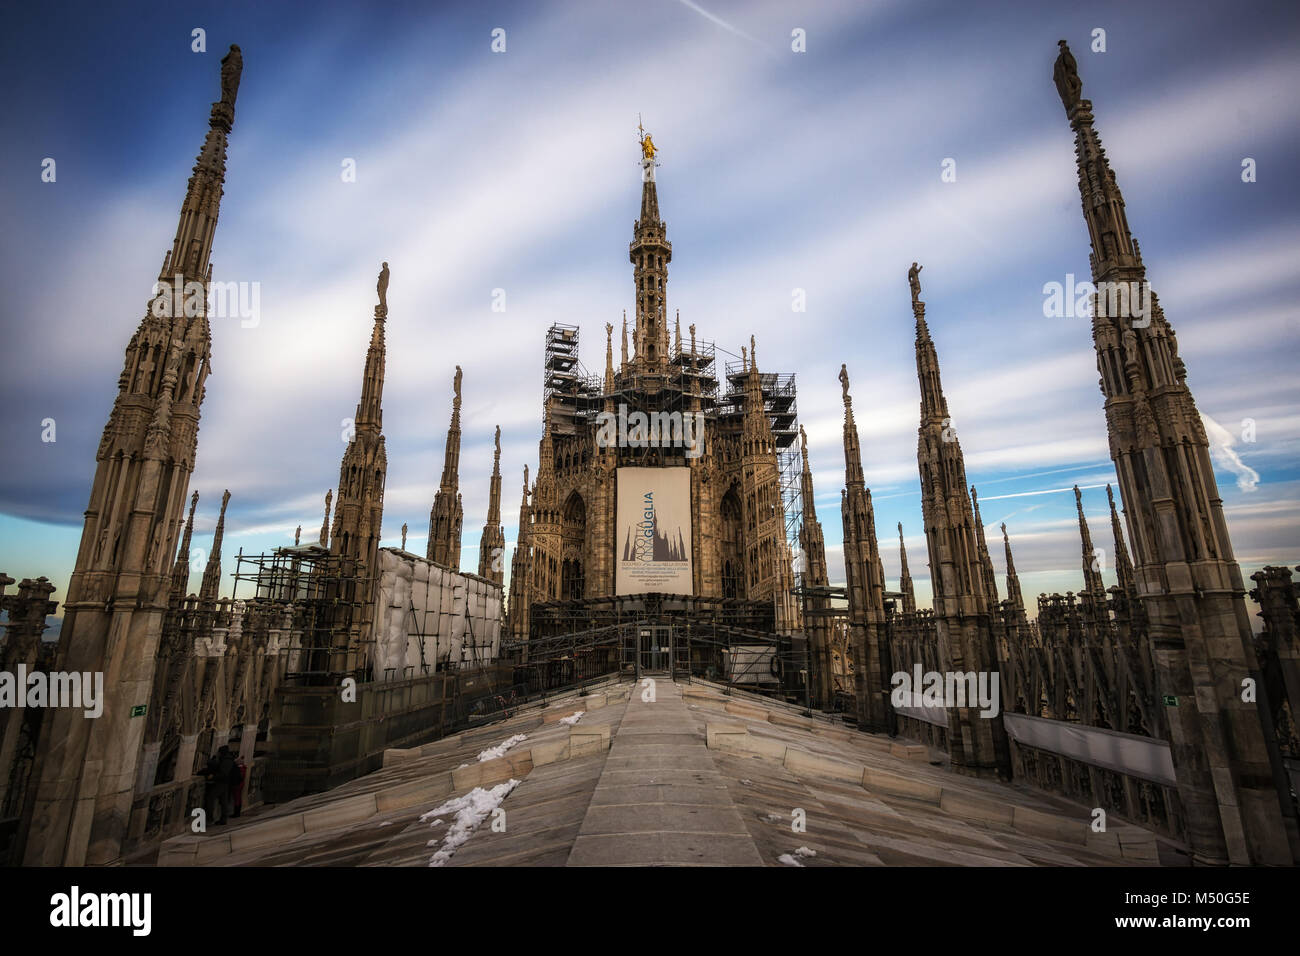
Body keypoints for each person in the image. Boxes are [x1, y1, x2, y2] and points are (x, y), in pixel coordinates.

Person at [205, 746, 236, 826]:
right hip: (225, 783)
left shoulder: (226, 760)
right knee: (223, 801)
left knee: (210, 797)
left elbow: (223, 773)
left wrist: (213, 776)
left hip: (222, 782)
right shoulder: (227, 759)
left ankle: (209, 818)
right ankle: (223, 819)